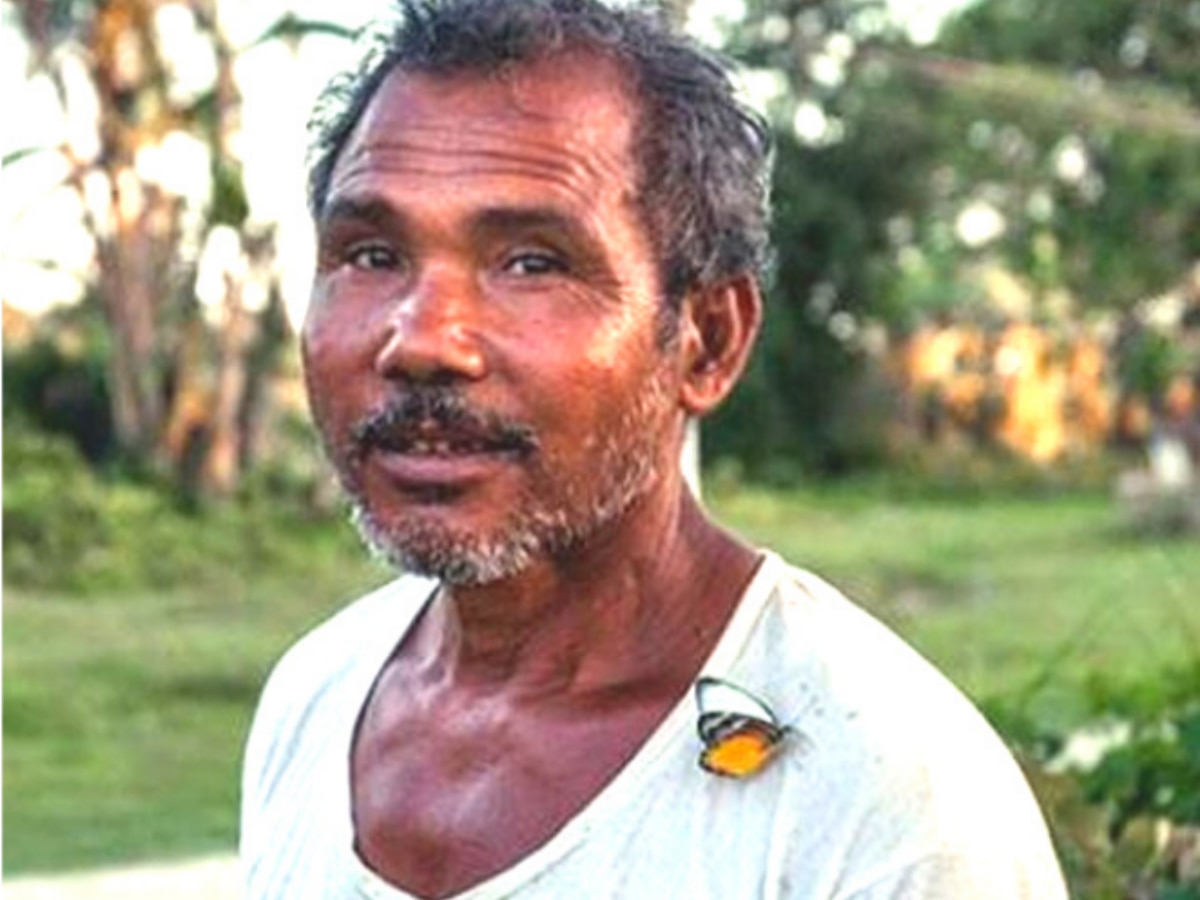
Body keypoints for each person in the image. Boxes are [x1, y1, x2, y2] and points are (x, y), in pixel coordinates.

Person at [240, 1, 1068, 897]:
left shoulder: (879, 796)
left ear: (707, 341)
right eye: (370, 255)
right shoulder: (317, 700)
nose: (424, 340)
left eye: (532, 262)